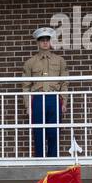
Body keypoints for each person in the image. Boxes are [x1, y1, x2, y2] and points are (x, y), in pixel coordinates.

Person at [22, 26, 68, 158]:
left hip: (54, 98)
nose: (45, 42)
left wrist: (64, 101)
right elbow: (26, 86)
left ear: (50, 41)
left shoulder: (60, 61)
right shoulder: (30, 62)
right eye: (42, 40)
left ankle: (53, 158)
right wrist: (27, 105)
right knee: (38, 131)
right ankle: (39, 159)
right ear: (38, 42)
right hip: (37, 99)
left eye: (47, 39)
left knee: (54, 131)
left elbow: (65, 83)